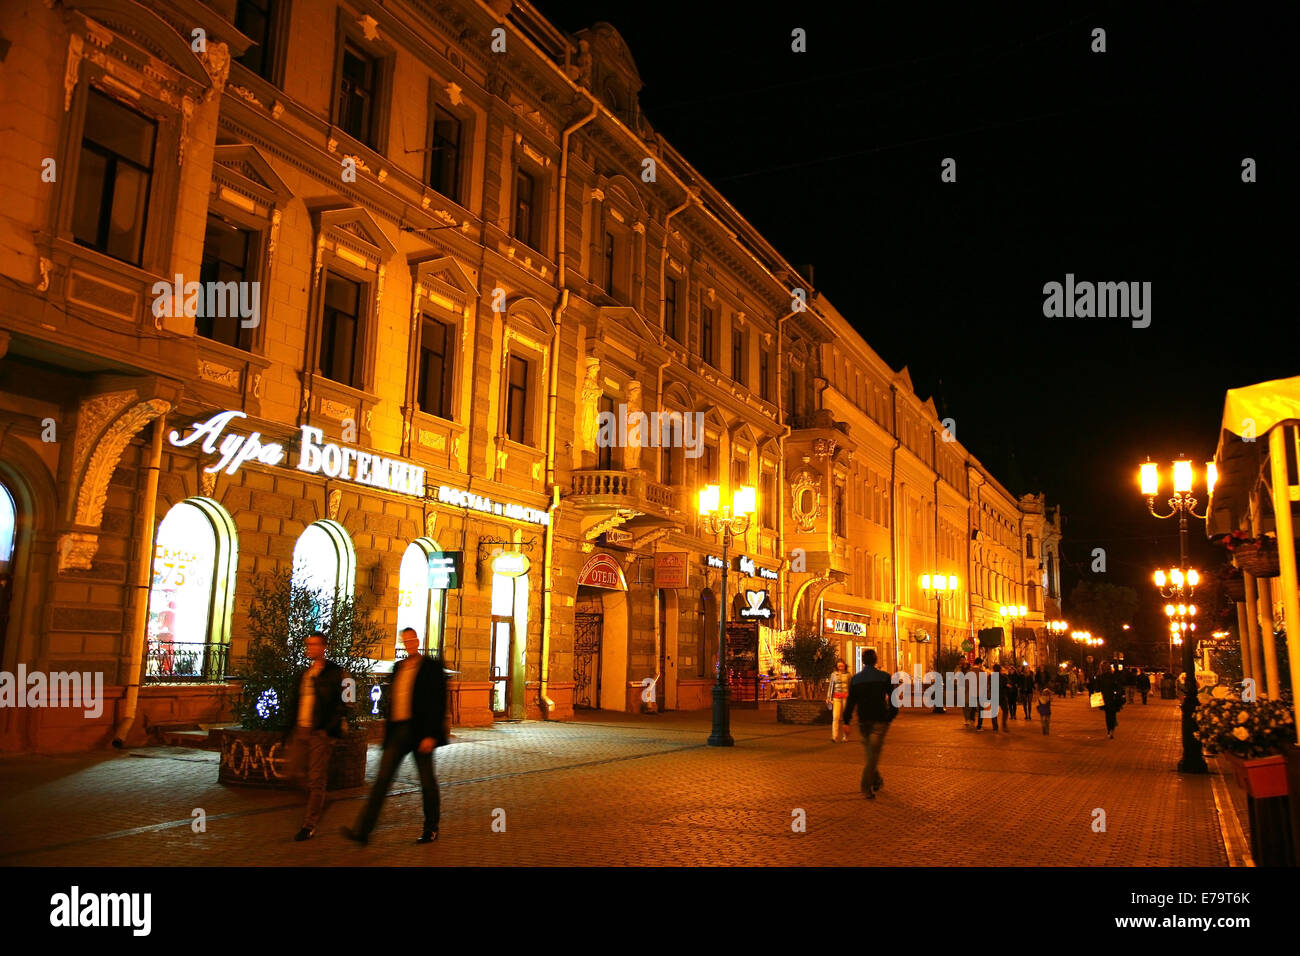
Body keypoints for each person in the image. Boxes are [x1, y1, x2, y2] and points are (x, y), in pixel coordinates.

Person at [344, 628, 449, 844]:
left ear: (417, 641)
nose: (408, 643)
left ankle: (431, 828)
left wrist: (431, 735)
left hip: (420, 733)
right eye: (404, 641)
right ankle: (363, 831)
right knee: (382, 781)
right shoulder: (398, 667)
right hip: (398, 732)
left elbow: (438, 703)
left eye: (411, 640)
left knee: (427, 782)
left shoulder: (431, 667)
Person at [284, 630, 348, 841]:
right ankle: (317, 796)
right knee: (292, 771)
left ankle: (309, 824)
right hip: (302, 729)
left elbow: (347, 701)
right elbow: (296, 702)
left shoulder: (336, 672)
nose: (310, 648)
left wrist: (328, 728)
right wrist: (290, 729)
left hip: (320, 732)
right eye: (308, 645)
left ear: (323, 647)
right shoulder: (305, 673)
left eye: (314, 645)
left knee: (316, 779)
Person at [841, 648, 898, 799]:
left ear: (863, 661)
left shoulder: (855, 679)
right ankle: (866, 786)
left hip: (863, 720)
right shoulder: (884, 677)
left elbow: (851, 702)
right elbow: (893, 699)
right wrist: (891, 715)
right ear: (876, 660)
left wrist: (846, 720)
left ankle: (877, 779)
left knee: (870, 753)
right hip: (879, 719)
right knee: (873, 755)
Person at [1090, 663, 1124, 739]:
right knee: (1113, 714)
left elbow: (1097, 688)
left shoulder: (1100, 677)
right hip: (1113, 697)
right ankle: (1112, 728)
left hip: (1105, 698)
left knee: (1108, 715)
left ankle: (1109, 730)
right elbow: (1118, 686)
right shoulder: (1113, 676)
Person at [827, 659, 851, 742]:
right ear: (837, 666)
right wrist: (829, 697)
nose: (841, 668)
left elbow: (850, 686)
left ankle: (845, 736)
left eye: (842, 666)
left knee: (845, 717)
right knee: (835, 717)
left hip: (845, 697)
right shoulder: (833, 674)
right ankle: (834, 736)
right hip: (836, 697)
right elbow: (831, 686)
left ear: (845, 666)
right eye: (839, 666)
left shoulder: (848, 675)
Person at [959, 660, 977, 729]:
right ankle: (967, 719)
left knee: (970, 706)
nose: (964, 666)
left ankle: (971, 719)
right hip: (963, 690)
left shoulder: (971, 672)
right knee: (965, 706)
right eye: (964, 665)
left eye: (966, 665)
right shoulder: (961, 672)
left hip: (969, 690)